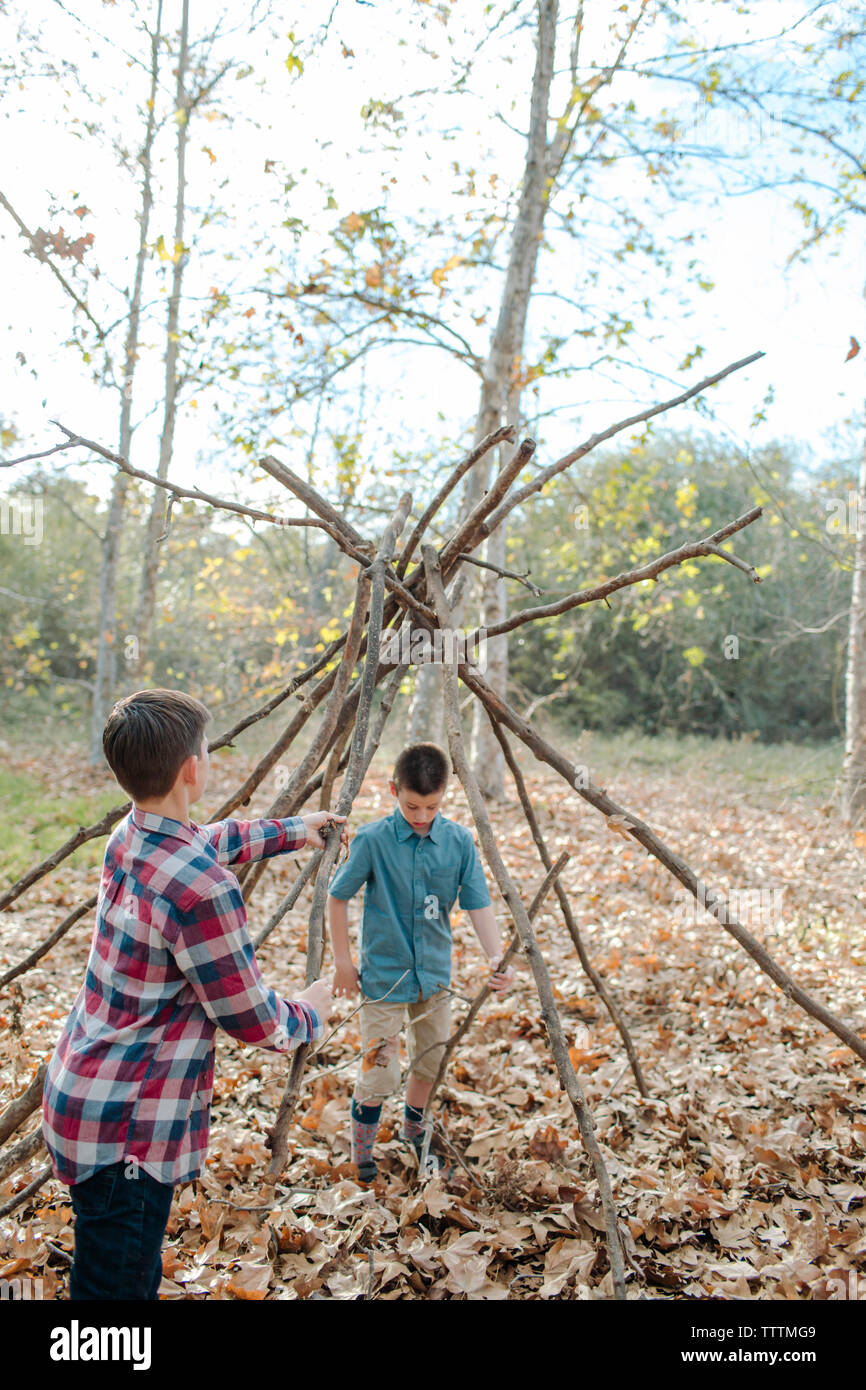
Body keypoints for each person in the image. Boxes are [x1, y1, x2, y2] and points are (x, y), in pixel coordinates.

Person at [42, 688, 340, 1301]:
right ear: (191, 768)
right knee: (117, 1294)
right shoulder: (204, 890)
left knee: (111, 1271)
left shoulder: (130, 836)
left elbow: (205, 839)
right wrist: (312, 1012)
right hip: (127, 1127)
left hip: (83, 1094)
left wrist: (292, 831)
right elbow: (252, 1017)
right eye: (206, 749)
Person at [327, 741, 514, 1182]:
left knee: (431, 1061)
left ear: (445, 796)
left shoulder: (458, 842)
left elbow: (477, 903)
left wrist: (495, 956)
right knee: (378, 1072)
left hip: (434, 977)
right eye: (412, 805)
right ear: (394, 790)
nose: (421, 816)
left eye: (432, 806)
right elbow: (337, 898)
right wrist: (341, 962)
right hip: (384, 979)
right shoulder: (373, 840)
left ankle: (414, 1127)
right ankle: (363, 1155)